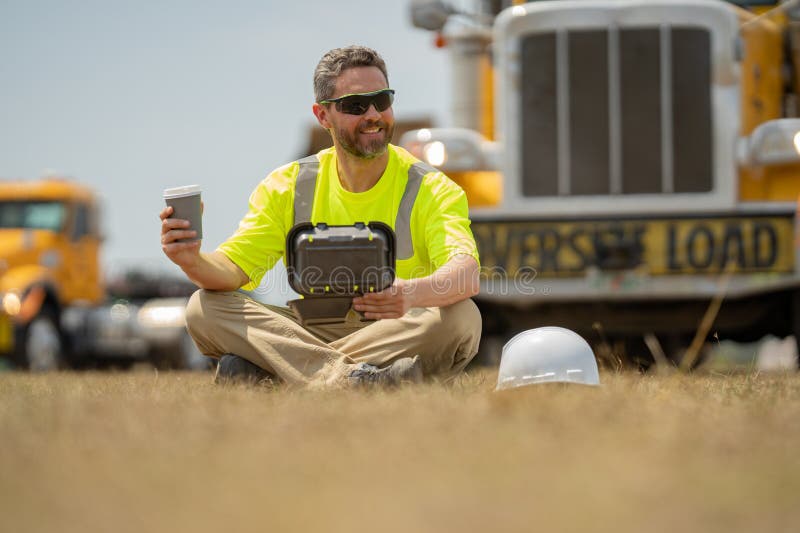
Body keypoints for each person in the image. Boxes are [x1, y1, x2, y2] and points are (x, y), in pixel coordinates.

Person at [160, 45, 482, 388]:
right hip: (307, 329)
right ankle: (351, 379)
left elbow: (466, 273)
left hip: (395, 325)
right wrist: (191, 260)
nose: (373, 114)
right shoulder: (288, 185)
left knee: (461, 317)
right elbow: (231, 270)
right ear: (323, 115)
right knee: (202, 308)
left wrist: (411, 294)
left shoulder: (431, 186)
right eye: (355, 105)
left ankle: (282, 373)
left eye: (382, 100)